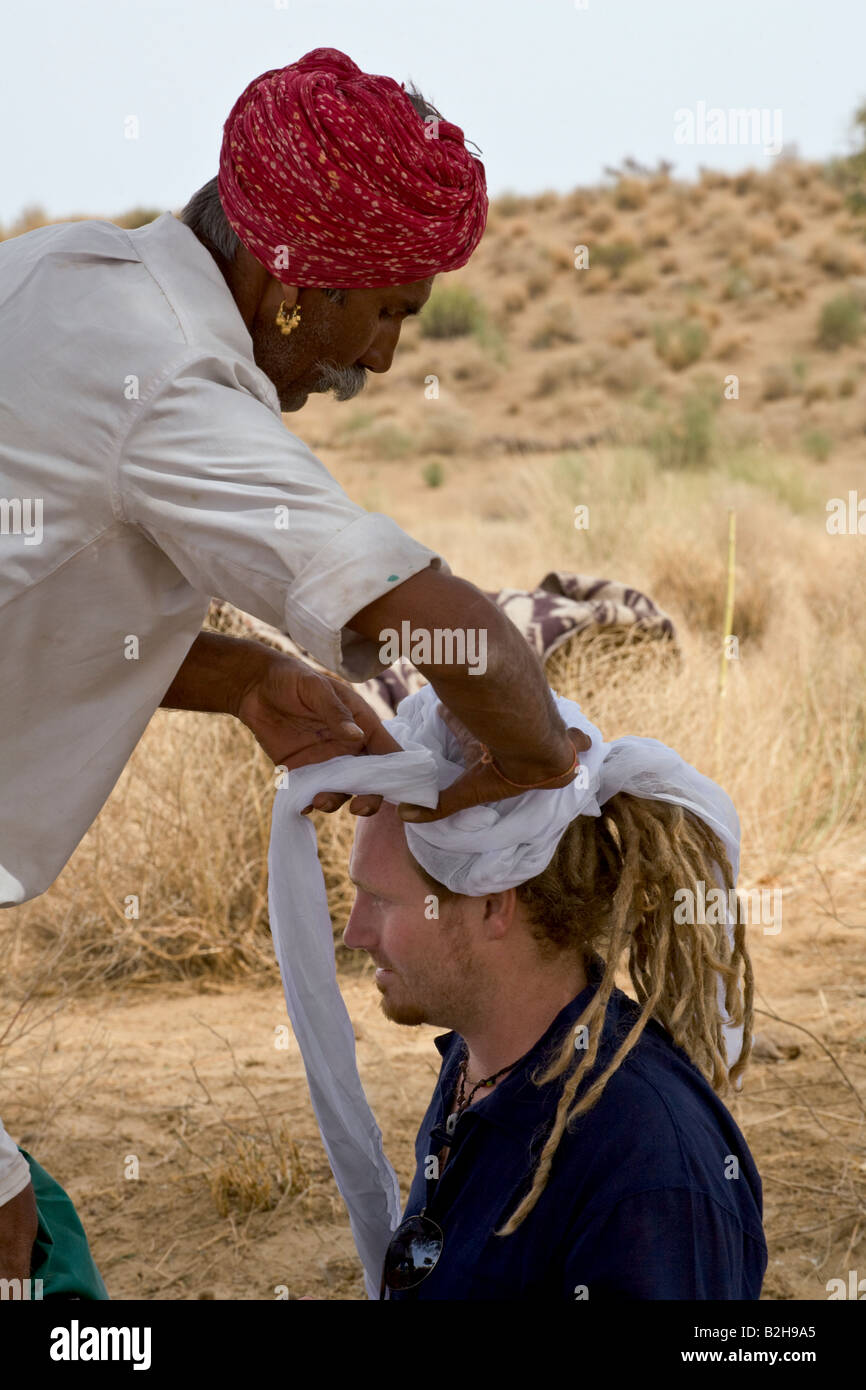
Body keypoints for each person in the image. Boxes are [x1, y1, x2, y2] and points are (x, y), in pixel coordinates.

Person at [0, 48, 590, 1291]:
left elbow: (32, 580)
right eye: (382, 309)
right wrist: (535, 750)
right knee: (15, 1244)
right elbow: (411, 611)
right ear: (284, 276)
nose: (375, 358)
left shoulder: (53, 272)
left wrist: (234, 675)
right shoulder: (166, 382)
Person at [340, 707, 768, 1300]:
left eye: (382, 901)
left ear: (494, 902)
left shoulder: (649, 1166)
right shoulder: (483, 1060)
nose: (354, 935)